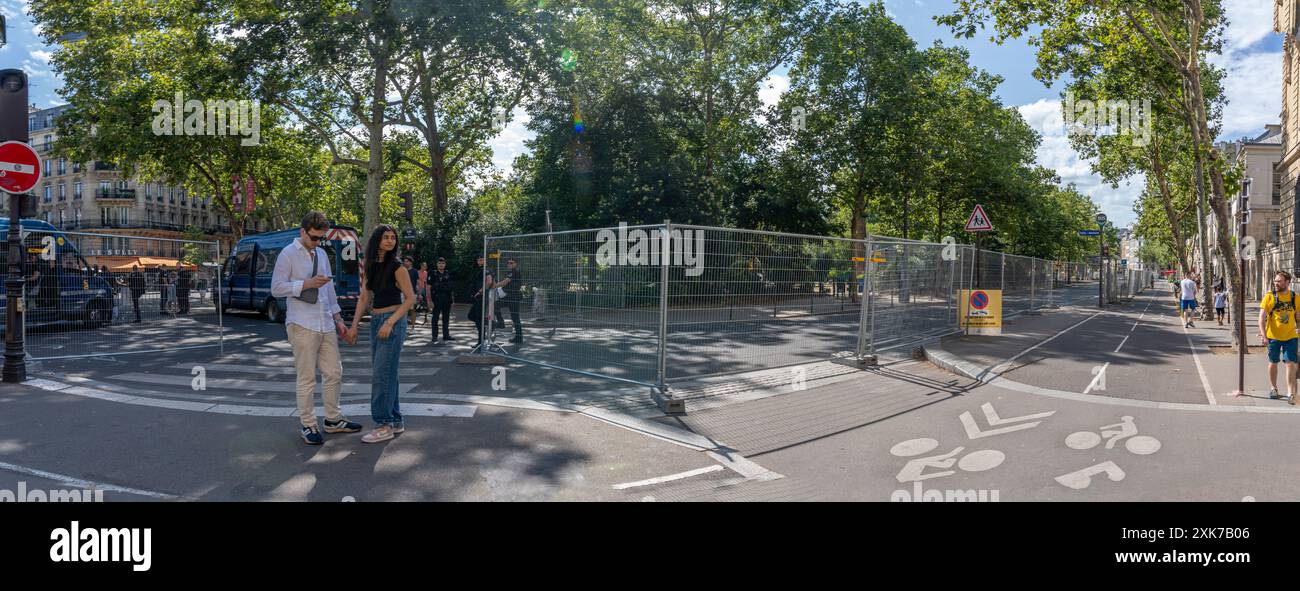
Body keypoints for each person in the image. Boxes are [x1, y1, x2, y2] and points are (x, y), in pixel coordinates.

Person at [271, 212, 362, 445]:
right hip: (301, 323)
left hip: (326, 323)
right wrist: (306, 284)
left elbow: (329, 292)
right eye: (314, 237)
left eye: (321, 238)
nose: (317, 242)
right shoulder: (287, 254)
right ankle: (308, 425)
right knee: (307, 377)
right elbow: (276, 288)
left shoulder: (321, 254)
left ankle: (333, 420)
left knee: (334, 372)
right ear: (302, 232)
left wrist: (339, 320)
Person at [347, 224, 416, 444]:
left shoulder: (398, 267)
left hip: (392, 322)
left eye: (392, 238)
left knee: (381, 375)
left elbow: (411, 298)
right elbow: (364, 298)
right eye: (385, 237)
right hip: (376, 321)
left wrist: (390, 322)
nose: (390, 241)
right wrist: (354, 325)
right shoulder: (371, 266)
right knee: (388, 373)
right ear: (377, 240)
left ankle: (383, 424)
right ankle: (394, 420)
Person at [1260, 271, 1299, 403]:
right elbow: (1261, 318)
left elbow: (1298, 318)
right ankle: (1273, 387)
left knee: (1290, 364)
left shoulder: (1295, 297)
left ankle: (1290, 393)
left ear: (1287, 282)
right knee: (1273, 362)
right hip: (1273, 337)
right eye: (1275, 281)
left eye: (1279, 281)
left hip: (1291, 336)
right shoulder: (1269, 297)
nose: (1276, 283)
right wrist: (1264, 335)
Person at [497, 257, 524, 344]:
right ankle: (501, 322)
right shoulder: (511, 272)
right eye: (508, 262)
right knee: (495, 305)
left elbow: (505, 282)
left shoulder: (515, 271)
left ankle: (519, 338)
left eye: (511, 263)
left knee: (515, 318)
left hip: (514, 298)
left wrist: (494, 286)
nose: (509, 264)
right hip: (508, 297)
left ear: (516, 264)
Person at [468, 254, 493, 348]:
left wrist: (480, 291)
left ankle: (481, 341)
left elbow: (489, 281)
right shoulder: (480, 270)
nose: (479, 262)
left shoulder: (487, 269)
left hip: (482, 298)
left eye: (481, 260)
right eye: (478, 260)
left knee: (478, 318)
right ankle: (488, 324)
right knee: (472, 316)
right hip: (477, 298)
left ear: (485, 260)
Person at [429, 257, 454, 344]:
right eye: (439, 263)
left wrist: (452, 299)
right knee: (435, 318)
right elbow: (428, 287)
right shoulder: (433, 273)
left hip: (447, 298)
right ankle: (434, 336)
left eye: (443, 263)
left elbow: (451, 287)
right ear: (437, 264)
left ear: (445, 264)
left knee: (446, 318)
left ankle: (446, 335)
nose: (441, 265)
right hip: (436, 298)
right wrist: (429, 300)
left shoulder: (448, 273)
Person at [403, 256, 419, 324]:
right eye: (404, 261)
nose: (405, 263)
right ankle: (404, 325)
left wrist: (419, 293)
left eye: (407, 261)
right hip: (403, 292)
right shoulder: (402, 270)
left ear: (410, 262)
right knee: (403, 310)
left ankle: (413, 326)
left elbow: (417, 283)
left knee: (413, 310)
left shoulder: (415, 271)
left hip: (412, 293)